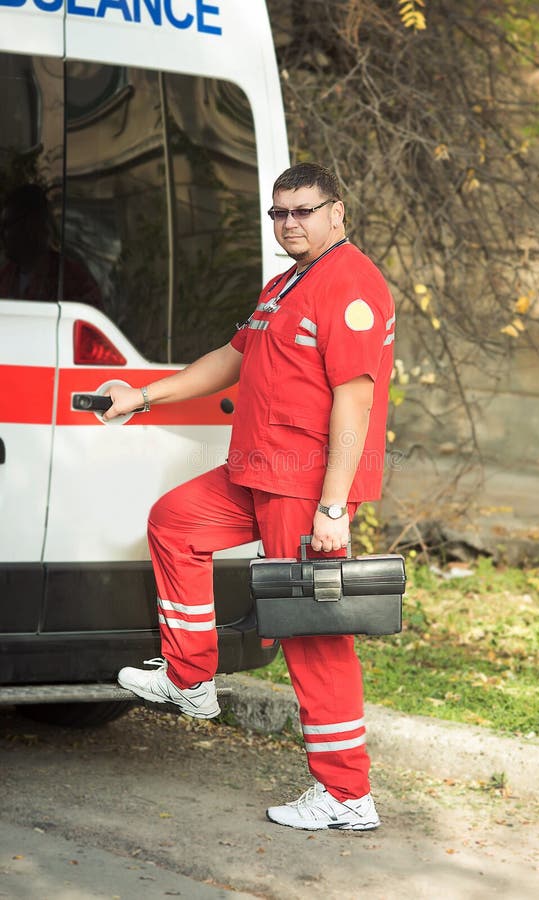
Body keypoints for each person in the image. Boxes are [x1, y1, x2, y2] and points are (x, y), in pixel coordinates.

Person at [104, 162, 395, 832]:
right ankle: (190, 677)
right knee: (175, 522)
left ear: (336, 211)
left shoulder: (350, 282)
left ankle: (346, 794)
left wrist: (331, 508)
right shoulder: (285, 283)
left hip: (304, 484)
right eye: (279, 213)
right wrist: (141, 396)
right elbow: (232, 357)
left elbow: (355, 400)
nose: (289, 223)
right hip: (259, 470)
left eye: (302, 210)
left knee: (312, 639)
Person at [0, 183, 102, 307]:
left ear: (32, 225)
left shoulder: (72, 280)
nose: (3, 234)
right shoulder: (6, 277)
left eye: (7, 225)